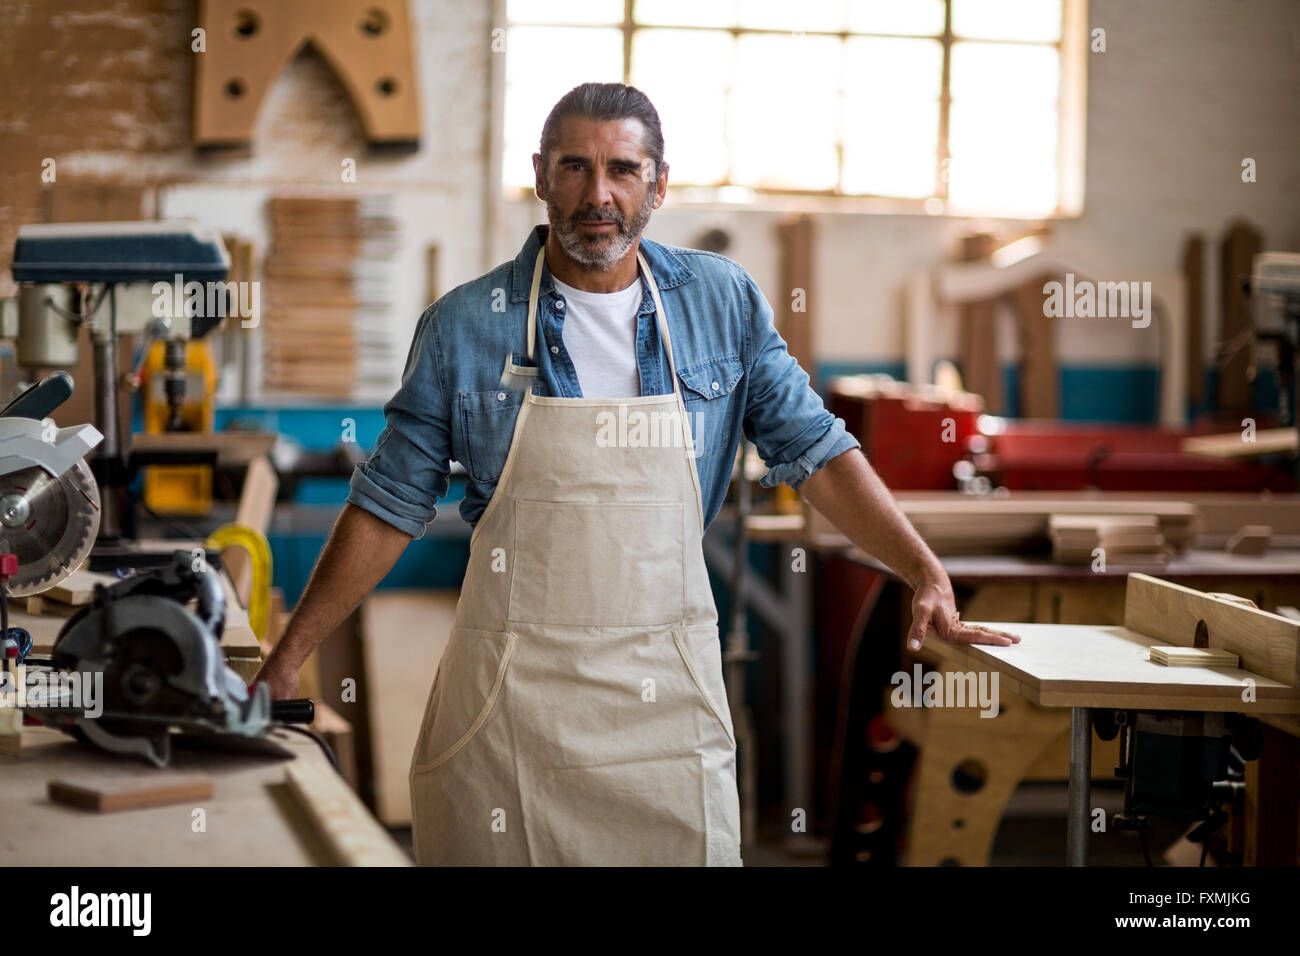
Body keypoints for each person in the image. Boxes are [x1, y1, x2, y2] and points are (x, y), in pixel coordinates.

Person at [252, 82, 1018, 866]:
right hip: (511, 704)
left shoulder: (722, 305)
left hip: (666, 713)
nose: (598, 195)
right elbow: (388, 505)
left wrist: (922, 569)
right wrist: (288, 656)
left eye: (622, 169)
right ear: (541, 176)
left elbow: (817, 452)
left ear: (657, 184)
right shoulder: (464, 328)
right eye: (575, 167)